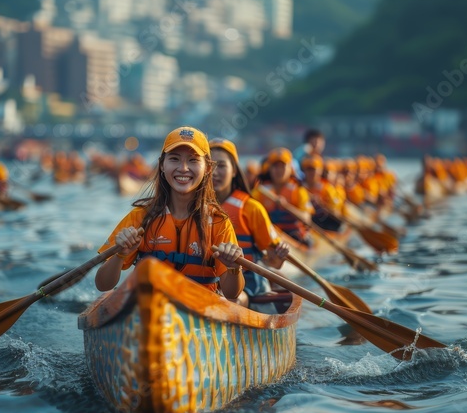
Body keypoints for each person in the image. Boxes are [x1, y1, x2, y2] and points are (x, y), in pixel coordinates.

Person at [95, 127, 245, 300]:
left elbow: (232, 293)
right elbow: (102, 285)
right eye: (174, 159)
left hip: (199, 308)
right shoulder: (140, 217)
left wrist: (234, 268)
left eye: (193, 160)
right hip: (149, 303)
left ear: (208, 169)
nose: (183, 168)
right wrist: (120, 255)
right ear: (161, 165)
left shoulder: (218, 222)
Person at [210, 138, 290, 306]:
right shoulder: (192, 207)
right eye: (210, 165)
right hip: (208, 277)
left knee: (232, 299)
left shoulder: (252, 208)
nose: (215, 172)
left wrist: (280, 256)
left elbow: (273, 262)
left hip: (246, 281)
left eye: (222, 165)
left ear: (234, 171)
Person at [252, 147, 314, 246]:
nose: (279, 170)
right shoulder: (260, 191)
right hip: (271, 237)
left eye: (283, 166)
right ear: (270, 168)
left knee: (309, 242)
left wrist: (287, 206)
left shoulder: (298, 190)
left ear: (290, 168)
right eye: (275, 166)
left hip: (295, 236)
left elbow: (307, 218)